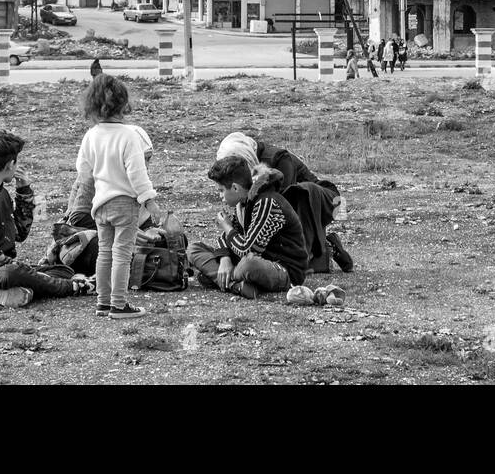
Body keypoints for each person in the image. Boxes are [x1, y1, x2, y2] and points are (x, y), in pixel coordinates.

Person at [0, 130, 90, 307]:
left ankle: (13, 293)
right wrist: (24, 271)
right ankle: (73, 287)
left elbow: (20, 233)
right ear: (10, 164)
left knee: (62, 271)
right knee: (16, 273)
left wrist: (24, 192)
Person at [74, 74, 162, 320]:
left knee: (104, 252)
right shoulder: (129, 136)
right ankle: (119, 304)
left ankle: (102, 303)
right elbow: (138, 174)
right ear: (124, 104)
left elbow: (84, 171)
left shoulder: (91, 135)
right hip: (125, 204)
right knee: (122, 254)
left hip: (100, 204)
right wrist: (149, 200)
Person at [215, 132, 352, 273]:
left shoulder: (278, 160)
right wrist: (226, 252)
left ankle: (318, 253)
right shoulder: (249, 171)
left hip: (331, 201)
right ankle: (323, 246)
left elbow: (281, 209)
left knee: (297, 193)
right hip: (306, 205)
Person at [187, 156, 308, 299]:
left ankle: (220, 278)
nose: (220, 196)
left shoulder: (267, 202)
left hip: (283, 269)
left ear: (235, 188)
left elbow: (247, 250)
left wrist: (227, 227)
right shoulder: (243, 202)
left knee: (248, 265)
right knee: (194, 249)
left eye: (221, 190)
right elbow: (228, 240)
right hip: (253, 259)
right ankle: (237, 286)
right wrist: (225, 259)